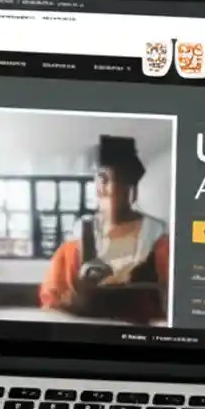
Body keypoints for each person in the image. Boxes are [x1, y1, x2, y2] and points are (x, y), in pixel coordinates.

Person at [39, 135, 170, 322]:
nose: (106, 188)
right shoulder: (78, 240)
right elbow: (52, 299)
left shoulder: (156, 238)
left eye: (115, 180)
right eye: (102, 180)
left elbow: (175, 298)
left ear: (131, 187)